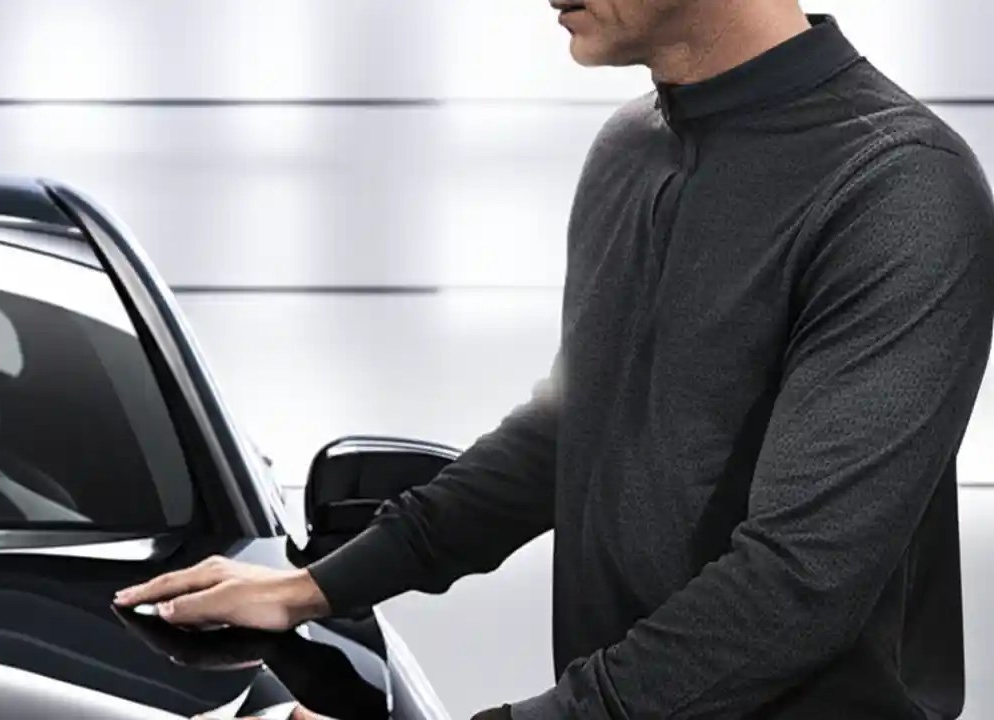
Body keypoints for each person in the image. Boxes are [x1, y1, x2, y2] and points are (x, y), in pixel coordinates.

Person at [116, 1, 994, 717]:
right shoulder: (631, 147)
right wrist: (317, 587)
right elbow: (569, 431)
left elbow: (803, 583)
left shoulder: (895, 186)